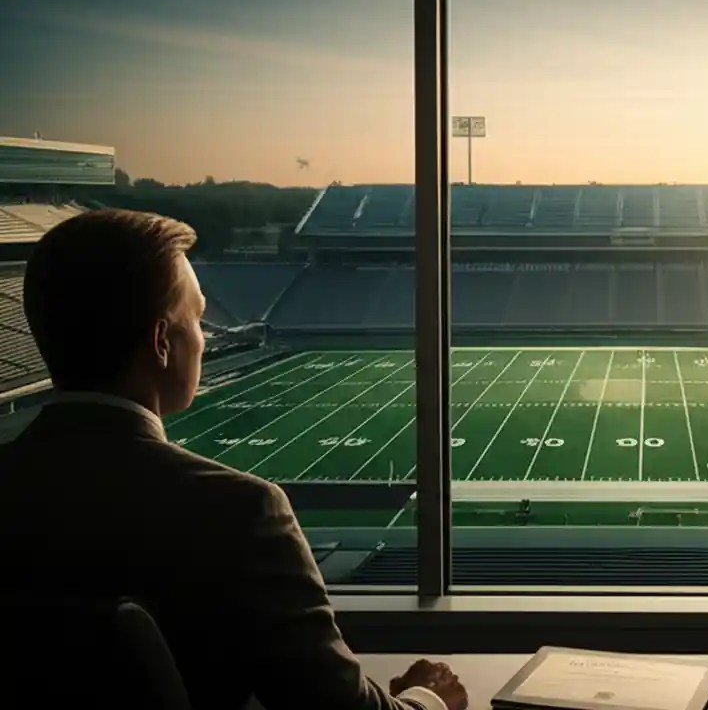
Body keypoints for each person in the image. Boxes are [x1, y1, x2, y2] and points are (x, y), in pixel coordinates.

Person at [0, 209, 467, 710]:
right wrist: (426, 697)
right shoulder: (237, 511)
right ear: (162, 343)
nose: (203, 337)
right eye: (197, 319)